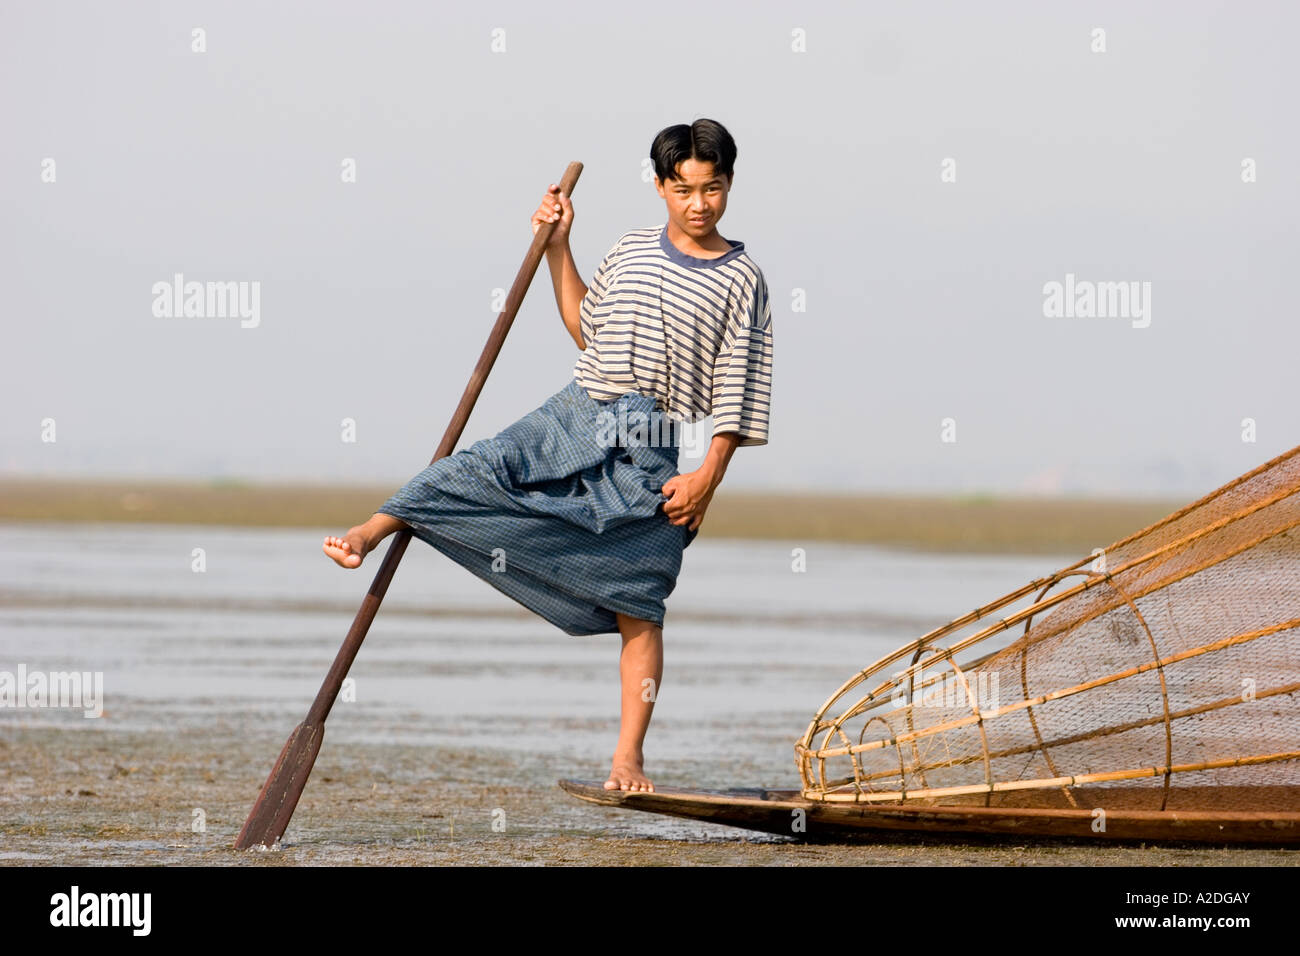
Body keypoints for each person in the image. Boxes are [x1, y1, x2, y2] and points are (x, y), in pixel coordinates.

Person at [322, 118, 773, 793]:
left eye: (713, 189)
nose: (699, 204)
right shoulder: (629, 251)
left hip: (656, 445)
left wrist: (707, 474)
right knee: (470, 470)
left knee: (640, 602)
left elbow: (739, 389)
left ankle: (628, 758)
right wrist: (561, 248)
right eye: (683, 190)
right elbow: (585, 329)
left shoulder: (743, 280)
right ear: (659, 188)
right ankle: (373, 528)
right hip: (577, 411)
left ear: (730, 184)